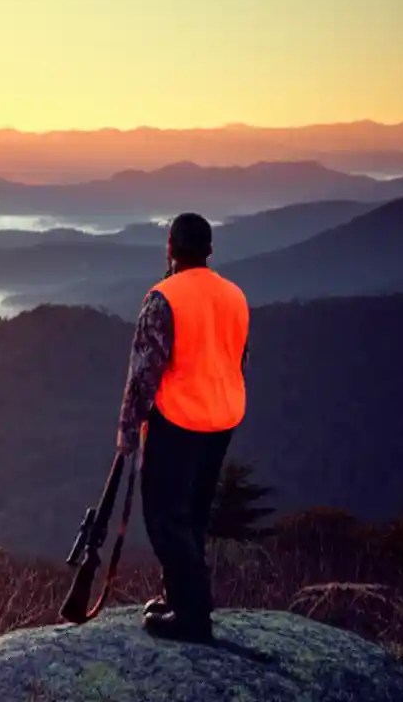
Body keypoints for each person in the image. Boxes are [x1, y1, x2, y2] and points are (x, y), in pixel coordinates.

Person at [115, 212, 249, 643]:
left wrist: (127, 431)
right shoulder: (234, 296)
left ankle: (192, 616)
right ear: (209, 251)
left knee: (165, 518)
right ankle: (180, 601)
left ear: (170, 247)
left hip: (178, 422)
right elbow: (237, 358)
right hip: (222, 418)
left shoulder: (162, 299)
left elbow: (143, 374)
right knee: (192, 515)